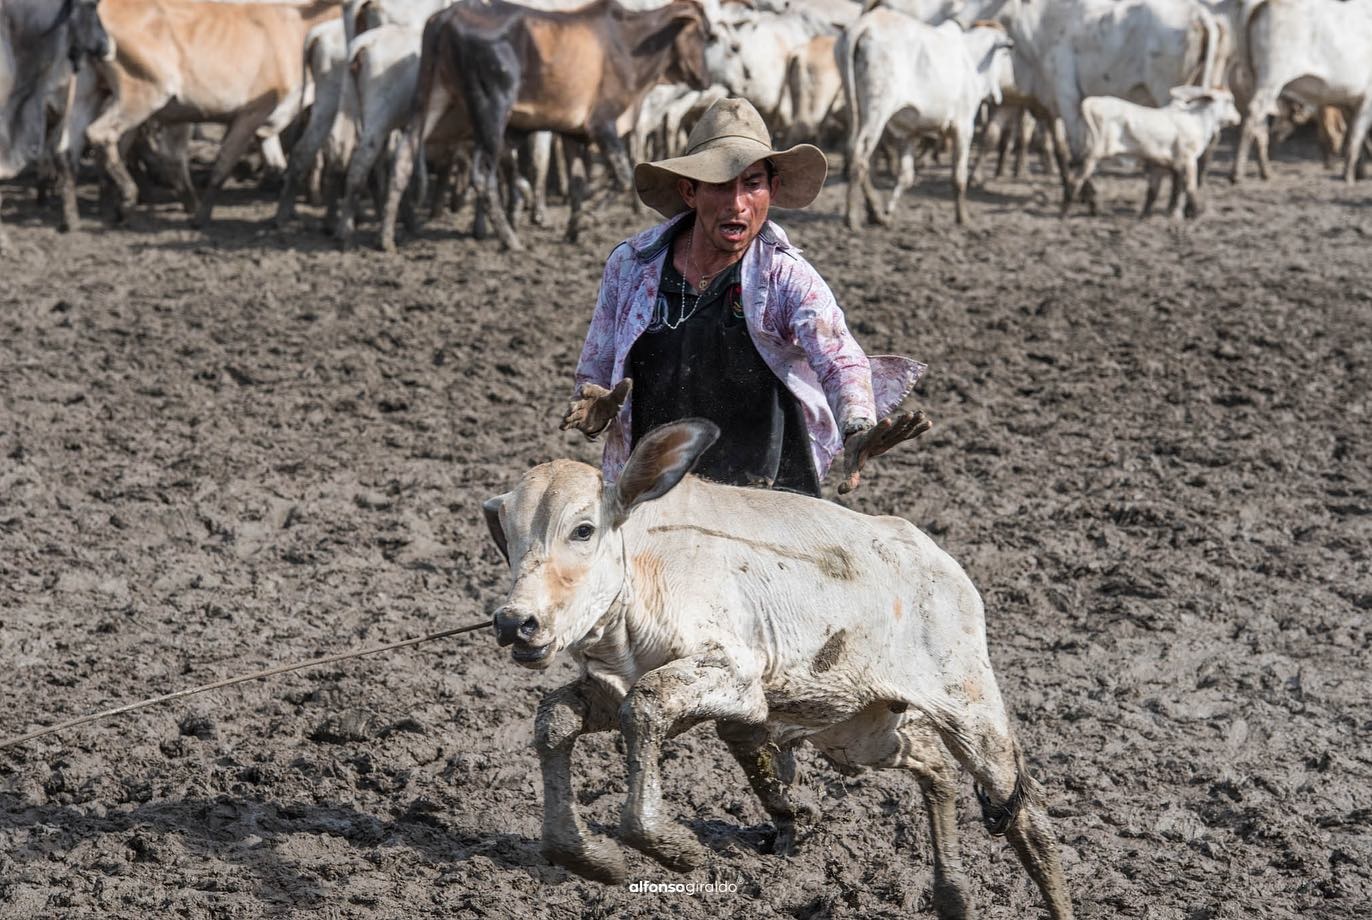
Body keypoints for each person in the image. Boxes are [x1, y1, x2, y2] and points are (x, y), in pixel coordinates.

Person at [561, 97, 929, 496]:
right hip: (654, 490)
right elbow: (595, 368)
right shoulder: (632, 267)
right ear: (690, 191)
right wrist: (593, 403)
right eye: (719, 185)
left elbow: (839, 357)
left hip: (765, 491)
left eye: (752, 184)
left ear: (771, 189)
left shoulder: (785, 276)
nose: (737, 204)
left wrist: (857, 425)